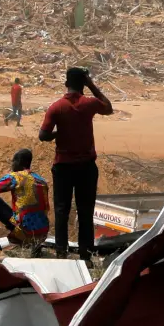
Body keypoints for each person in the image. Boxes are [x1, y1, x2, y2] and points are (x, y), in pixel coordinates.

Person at [38, 67, 113, 262]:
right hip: (86, 167)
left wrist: (59, 133)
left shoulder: (56, 107)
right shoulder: (90, 104)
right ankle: (85, 256)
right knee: (86, 211)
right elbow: (108, 108)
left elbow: (43, 135)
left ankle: (61, 253)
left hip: (63, 167)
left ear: (66, 84)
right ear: (83, 84)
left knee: (61, 210)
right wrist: (92, 85)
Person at [0, 149, 50, 251]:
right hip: (42, 234)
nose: (12, 165)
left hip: (25, 233)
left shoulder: (16, 177)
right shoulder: (41, 180)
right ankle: (35, 247)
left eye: (13, 161)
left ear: (19, 162)